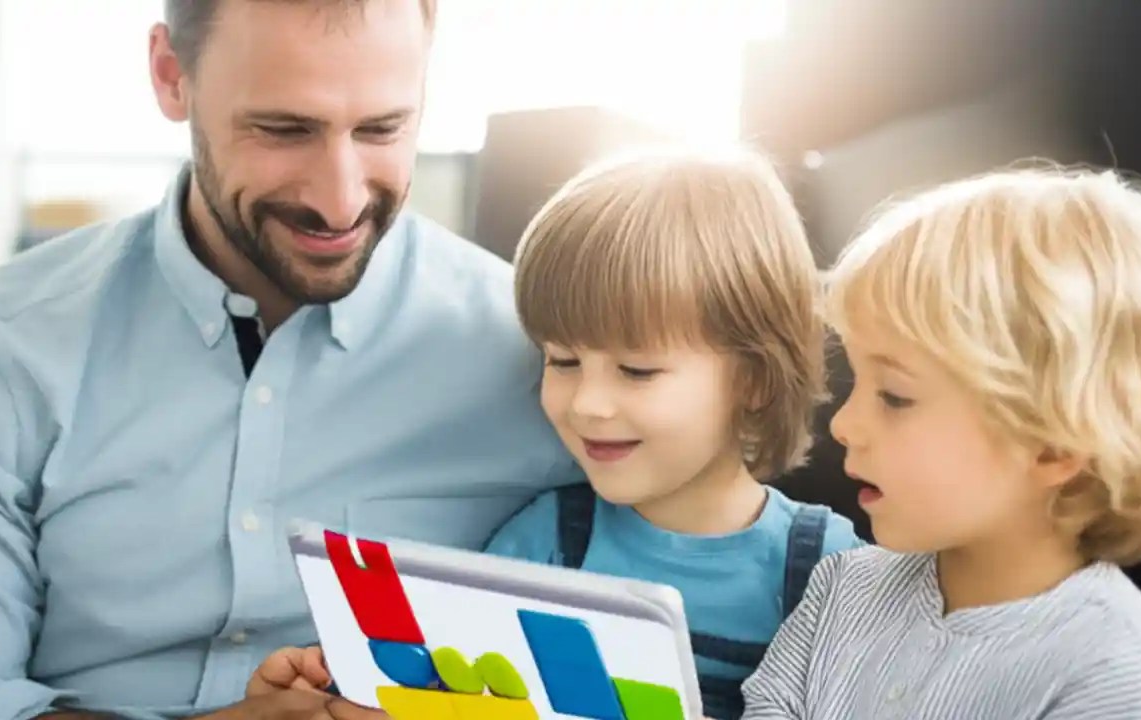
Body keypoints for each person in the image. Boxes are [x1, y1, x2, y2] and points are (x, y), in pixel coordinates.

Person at [0, 1, 575, 719]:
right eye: (283, 130)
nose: (341, 200)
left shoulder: (541, 352)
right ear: (171, 76)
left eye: (382, 128)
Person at [246, 147, 863, 720]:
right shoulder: (545, 540)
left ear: (753, 380)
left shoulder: (826, 571)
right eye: (562, 361)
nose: (588, 404)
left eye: (637, 370)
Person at [742, 167, 1141, 719]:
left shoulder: (1108, 672)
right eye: (858, 383)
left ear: (1052, 445)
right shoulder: (842, 587)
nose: (844, 426)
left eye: (895, 396)